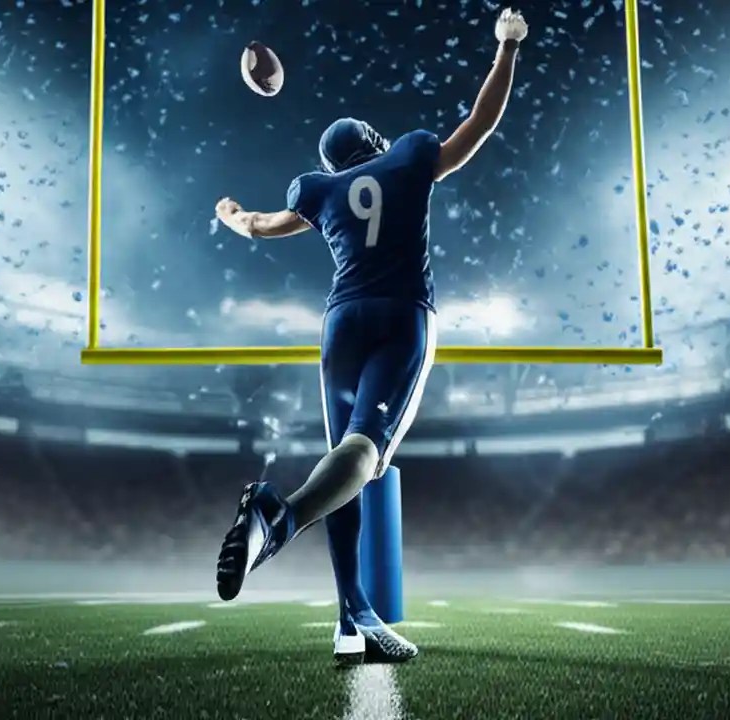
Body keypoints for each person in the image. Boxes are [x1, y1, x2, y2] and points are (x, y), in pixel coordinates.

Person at [213, 8, 529, 664]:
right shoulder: (409, 156)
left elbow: (261, 227)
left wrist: (229, 213)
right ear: (374, 139)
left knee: (343, 466)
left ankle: (350, 616)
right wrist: (506, 48)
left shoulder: (318, 190)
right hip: (403, 311)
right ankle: (280, 519)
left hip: (341, 322)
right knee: (363, 455)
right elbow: (481, 122)